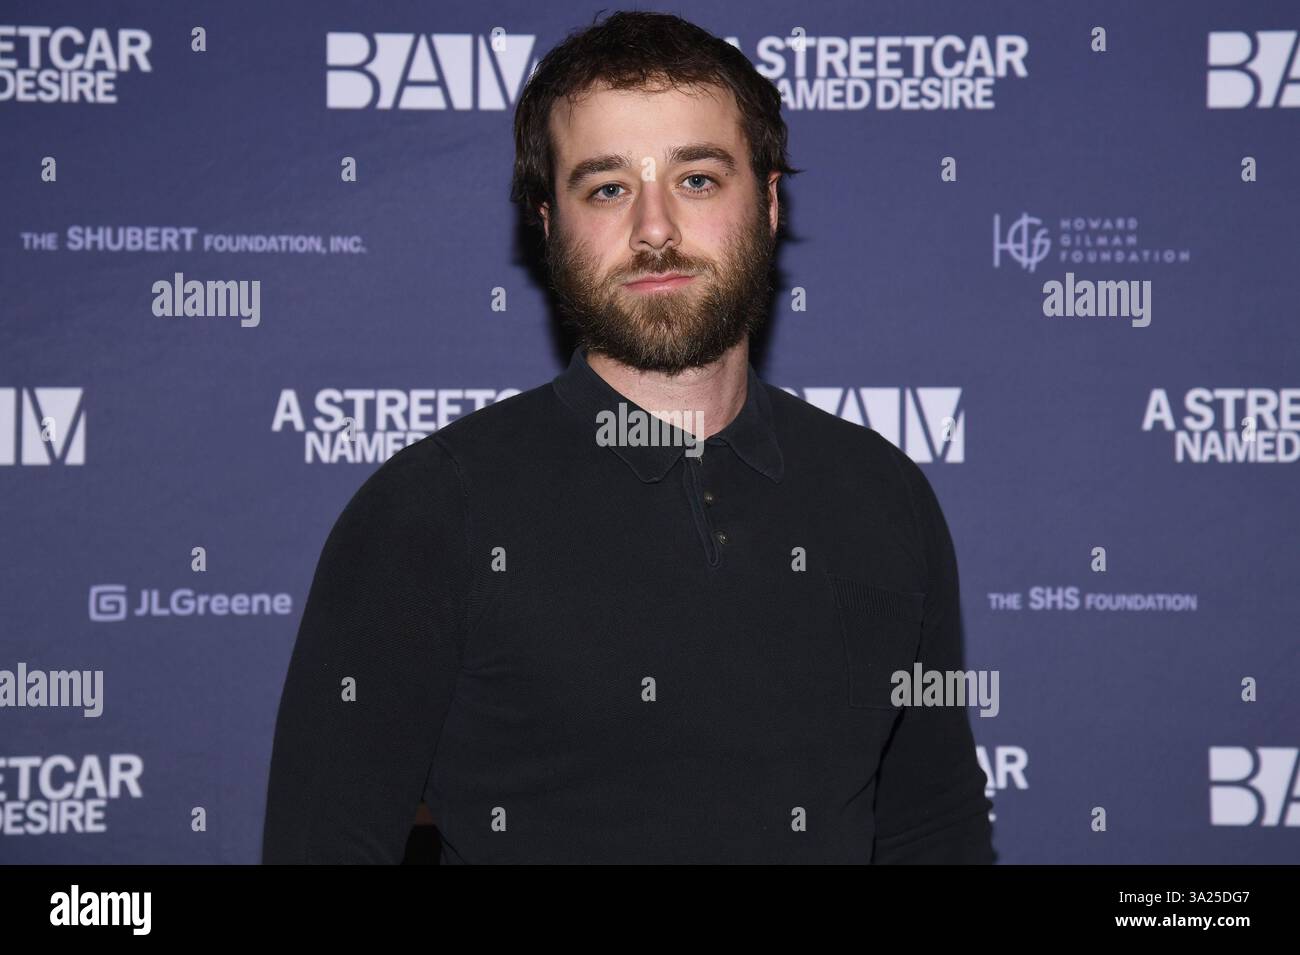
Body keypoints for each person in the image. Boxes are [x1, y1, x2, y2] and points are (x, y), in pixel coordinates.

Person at [262, 10, 993, 864]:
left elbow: (933, 829)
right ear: (547, 223)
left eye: (697, 179)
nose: (654, 230)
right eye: (607, 187)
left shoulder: (885, 496)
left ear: (766, 199)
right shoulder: (430, 512)